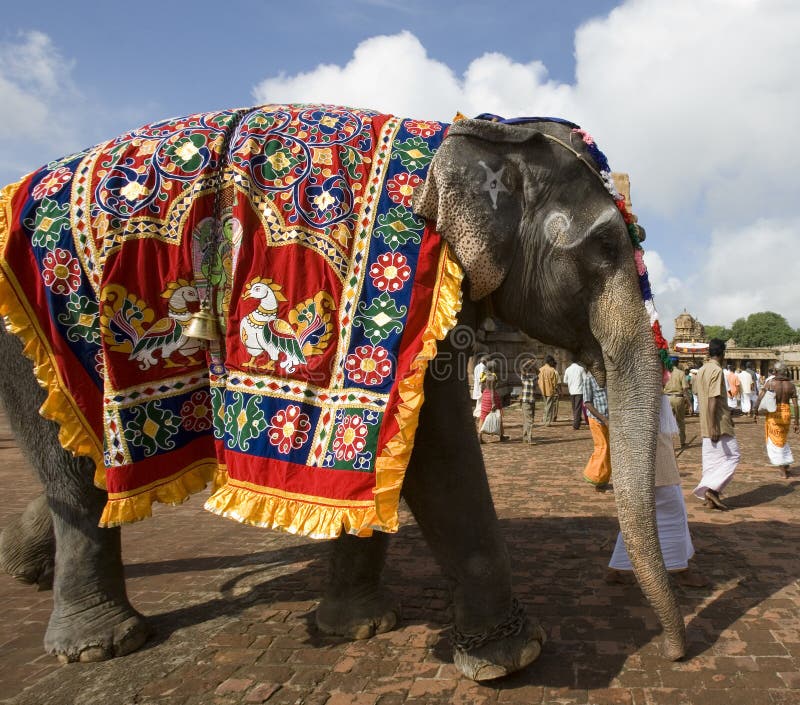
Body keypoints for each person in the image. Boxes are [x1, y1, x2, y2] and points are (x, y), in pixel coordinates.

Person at [607, 395, 708, 587]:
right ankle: (681, 570)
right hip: (655, 465)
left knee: (638, 520)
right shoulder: (642, 392)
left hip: (652, 459)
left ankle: (616, 568)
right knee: (673, 517)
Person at [693, 339, 740, 510]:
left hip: (705, 421)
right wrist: (714, 425)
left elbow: (698, 394)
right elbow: (713, 398)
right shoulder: (717, 370)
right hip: (718, 422)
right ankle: (712, 490)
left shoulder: (701, 370)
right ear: (723, 354)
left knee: (711, 461)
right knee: (733, 456)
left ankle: (711, 496)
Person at [754, 361, 799, 478]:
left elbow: (760, 397)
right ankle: (786, 463)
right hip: (786, 413)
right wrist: (797, 421)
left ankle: (783, 469)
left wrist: (755, 411)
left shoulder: (771, 383)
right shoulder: (791, 385)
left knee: (775, 442)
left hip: (774, 414)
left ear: (776, 371)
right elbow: (795, 405)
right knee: (782, 439)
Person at [582, 370, 611, 492]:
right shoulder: (589, 378)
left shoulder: (608, 375)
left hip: (609, 419)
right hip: (596, 419)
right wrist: (603, 419)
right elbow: (587, 403)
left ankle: (603, 480)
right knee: (602, 447)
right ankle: (592, 475)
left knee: (608, 449)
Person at [479, 360, 509, 443]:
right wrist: (493, 403)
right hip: (492, 398)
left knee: (482, 417)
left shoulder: (484, 375)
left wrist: (486, 395)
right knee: (498, 417)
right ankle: (501, 436)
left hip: (485, 396)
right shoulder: (492, 376)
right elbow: (492, 390)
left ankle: (479, 437)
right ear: (493, 368)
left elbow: (482, 388)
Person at [663, 361, 690, 447]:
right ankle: (682, 441)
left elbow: (661, 386)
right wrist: (689, 402)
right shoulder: (681, 373)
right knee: (680, 421)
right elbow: (685, 389)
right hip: (678, 398)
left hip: (667, 398)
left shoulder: (665, 372)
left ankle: (667, 443)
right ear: (678, 363)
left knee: (667, 422)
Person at [563, 357, 587, 430]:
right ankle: (576, 424)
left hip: (571, 391)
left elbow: (565, 381)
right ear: (578, 361)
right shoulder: (581, 369)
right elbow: (585, 379)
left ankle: (577, 419)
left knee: (574, 407)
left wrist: (571, 382)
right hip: (579, 390)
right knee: (578, 407)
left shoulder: (568, 369)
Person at [519, 358, 539, 445]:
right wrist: (528, 363)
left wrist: (533, 364)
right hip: (525, 401)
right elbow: (522, 368)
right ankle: (529, 438)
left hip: (532, 400)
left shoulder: (534, 377)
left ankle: (525, 437)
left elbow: (539, 372)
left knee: (528, 419)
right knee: (529, 420)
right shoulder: (524, 377)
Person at [538, 355, 560, 426]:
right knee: (549, 406)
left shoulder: (540, 369)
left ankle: (544, 420)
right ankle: (547, 422)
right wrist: (554, 389)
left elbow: (538, 381)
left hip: (542, 390)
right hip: (550, 390)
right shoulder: (552, 370)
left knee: (545, 405)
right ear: (550, 361)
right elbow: (554, 382)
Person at [472, 354, 487, 433]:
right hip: (481, 388)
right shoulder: (483, 367)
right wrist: (482, 389)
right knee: (481, 405)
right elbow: (482, 378)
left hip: (477, 388)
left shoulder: (476, 366)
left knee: (479, 404)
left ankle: (476, 416)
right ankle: (476, 417)